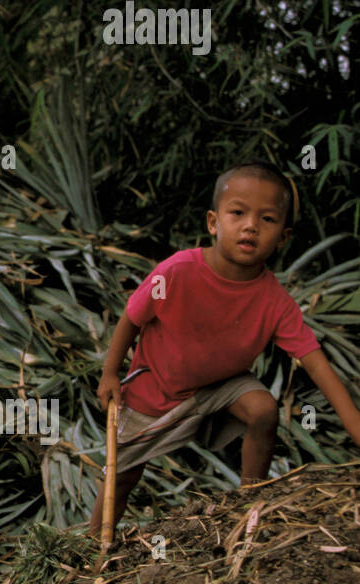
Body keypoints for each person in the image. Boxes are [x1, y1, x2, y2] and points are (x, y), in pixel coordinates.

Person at [90, 161, 360, 534]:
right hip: (155, 390)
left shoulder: (275, 301)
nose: (251, 226)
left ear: (282, 237)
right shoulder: (177, 271)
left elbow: (318, 367)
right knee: (123, 476)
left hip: (219, 387)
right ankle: (92, 549)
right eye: (238, 213)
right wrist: (109, 372)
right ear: (214, 223)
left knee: (264, 409)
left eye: (267, 219)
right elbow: (132, 319)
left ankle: (248, 506)